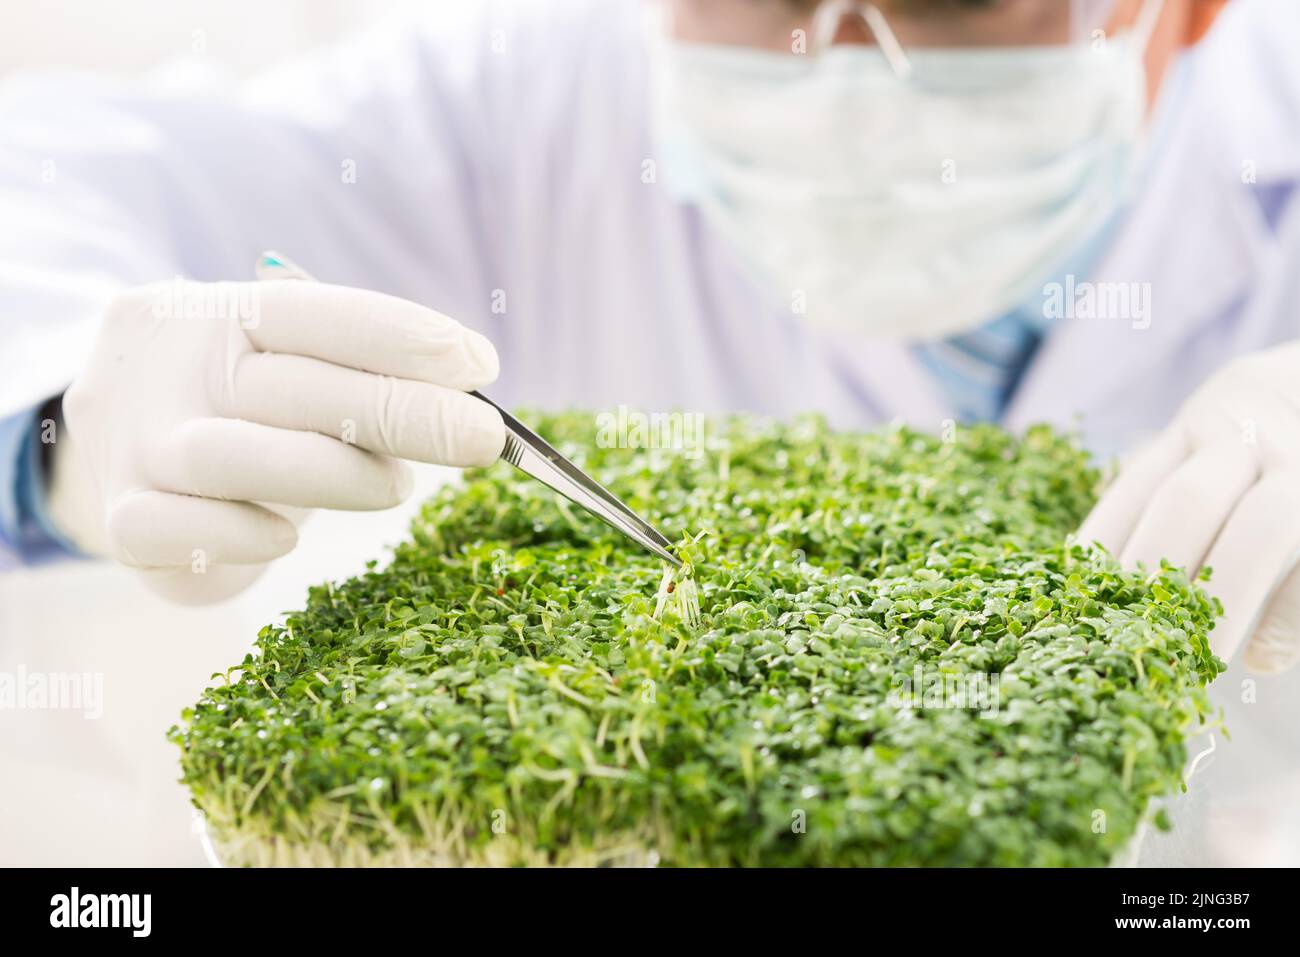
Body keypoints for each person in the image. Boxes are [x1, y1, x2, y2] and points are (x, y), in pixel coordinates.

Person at [0, 0, 1297, 676]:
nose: (848, 76)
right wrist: (59, 419)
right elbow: (40, 179)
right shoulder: (523, 97)